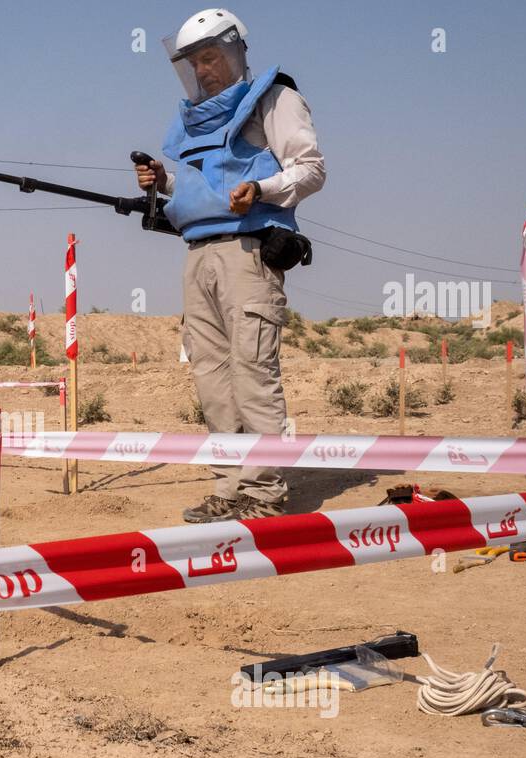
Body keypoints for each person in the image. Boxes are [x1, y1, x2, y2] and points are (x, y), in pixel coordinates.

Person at [136, 8, 325, 522]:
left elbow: (309, 170)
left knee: (252, 373)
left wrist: (261, 190)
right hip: (197, 254)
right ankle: (230, 488)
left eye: (212, 56)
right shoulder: (196, 119)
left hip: (249, 253)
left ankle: (264, 495)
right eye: (195, 62)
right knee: (211, 377)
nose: (204, 70)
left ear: (238, 51)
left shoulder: (274, 97)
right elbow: (200, 185)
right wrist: (163, 180)